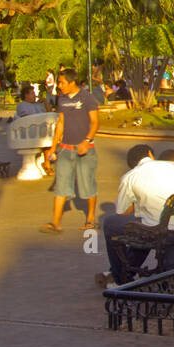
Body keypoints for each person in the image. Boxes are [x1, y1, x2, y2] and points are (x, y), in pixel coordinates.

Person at [98, 144, 174, 286]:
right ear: (150, 154)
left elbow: (122, 212)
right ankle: (169, 279)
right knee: (152, 225)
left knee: (111, 223)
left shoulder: (130, 176)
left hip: (159, 231)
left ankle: (120, 276)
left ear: (132, 165)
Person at [41, 68, 99, 233]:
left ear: (72, 82)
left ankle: (90, 219)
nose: (59, 86)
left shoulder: (87, 98)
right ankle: (55, 222)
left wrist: (86, 141)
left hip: (85, 150)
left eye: (62, 83)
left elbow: (95, 122)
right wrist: (53, 147)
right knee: (61, 185)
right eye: (59, 83)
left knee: (87, 184)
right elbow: (61, 123)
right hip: (66, 149)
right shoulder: (62, 99)